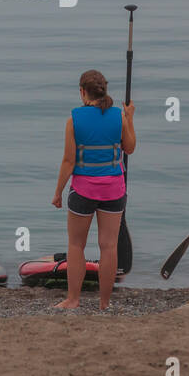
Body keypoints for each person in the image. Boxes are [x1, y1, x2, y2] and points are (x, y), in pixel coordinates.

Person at [51, 69, 136, 310]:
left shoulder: (74, 119)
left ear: (82, 92)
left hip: (83, 190)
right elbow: (129, 148)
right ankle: (104, 303)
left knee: (76, 245)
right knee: (108, 246)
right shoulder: (119, 117)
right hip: (114, 190)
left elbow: (68, 162)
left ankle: (73, 299)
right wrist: (130, 118)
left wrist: (58, 192)